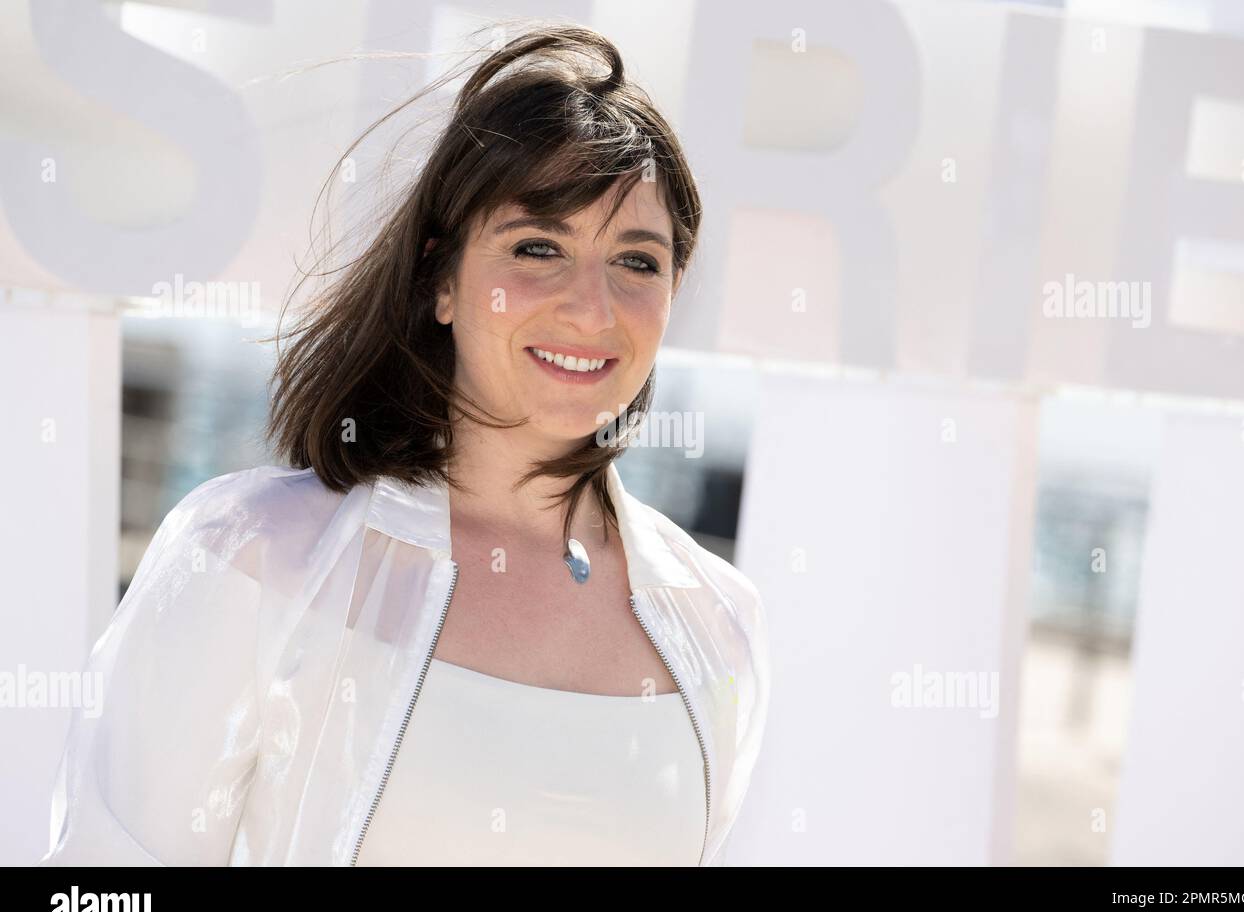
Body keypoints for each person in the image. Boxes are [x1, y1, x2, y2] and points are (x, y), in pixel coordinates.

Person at [37, 23, 769, 867]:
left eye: (637, 262)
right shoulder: (253, 556)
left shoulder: (720, 624)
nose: (591, 308)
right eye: (539, 247)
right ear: (441, 280)